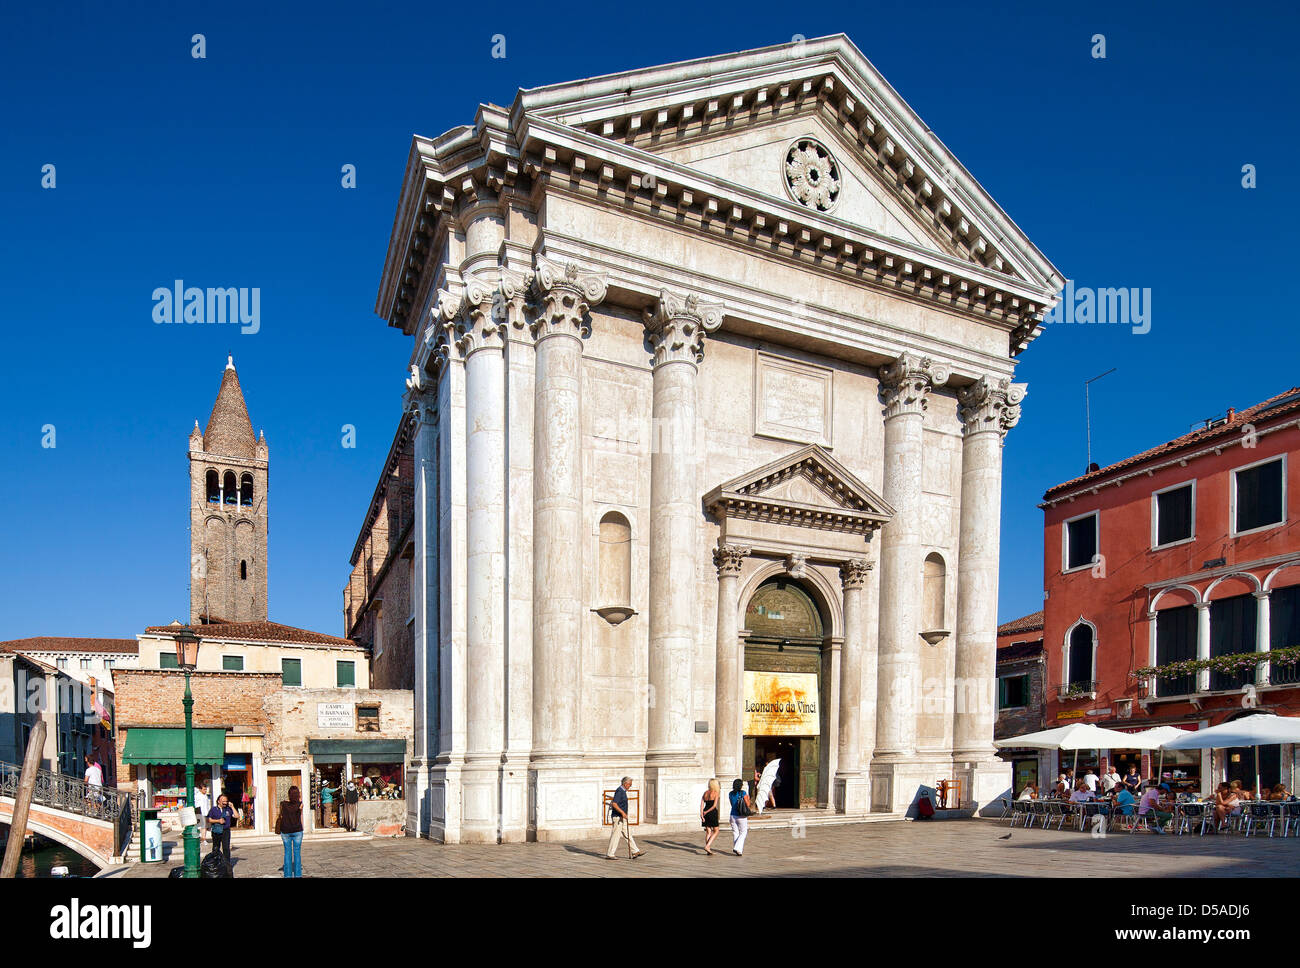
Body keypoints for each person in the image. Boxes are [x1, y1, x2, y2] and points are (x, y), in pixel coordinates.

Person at [605, 777, 644, 860]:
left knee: (628, 834)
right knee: (616, 835)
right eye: (629, 785)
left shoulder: (623, 791)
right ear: (625, 783)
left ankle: (635, 851)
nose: (630, 786)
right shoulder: (619, 791)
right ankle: (610, 854)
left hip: (622, 817)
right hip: (618, 817)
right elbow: (614, 804)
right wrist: (622, 813)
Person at [277, 785, 305, 878]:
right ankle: (298, 875)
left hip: (285, 831)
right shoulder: (300, 804)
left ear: (289, 795)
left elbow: (280, 812)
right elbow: (300, 814)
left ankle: (287, 875)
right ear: (298, 795)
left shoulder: (283, 804)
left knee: (287, 853)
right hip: (297, 830)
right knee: (297, 853)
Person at [207, 794, 236, 865]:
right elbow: (209, 820)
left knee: (226, 848)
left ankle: (227, 864)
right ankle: (215, 863)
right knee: (216, 848)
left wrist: (232, 807)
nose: (225, 803)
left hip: (226, 831)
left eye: (226, 801)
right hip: (216, 831)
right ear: (218, 801)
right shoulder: (213, 809)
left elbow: (237, 816)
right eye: (223, 801)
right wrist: (218, 821)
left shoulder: (228, 809)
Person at [728, 778, 753, 856]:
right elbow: (748, 804)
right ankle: (737, 848)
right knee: (743, 832)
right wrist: (748, 798)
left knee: (735, 832)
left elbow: (732, 804)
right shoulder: (743, 793)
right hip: (741, 815)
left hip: (732, 815)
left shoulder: (730, 793)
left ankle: (739, 851)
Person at [700, 779, 721, 855]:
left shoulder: (705, 793)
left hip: (705, 812)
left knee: (708, 831)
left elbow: (702, 804)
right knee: (716, 830)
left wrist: (702, 813)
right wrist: (707, 811)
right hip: (712, 812)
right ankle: (708, 846)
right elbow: (714, 805)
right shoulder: (716, 793)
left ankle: (708, 848)